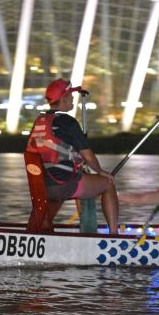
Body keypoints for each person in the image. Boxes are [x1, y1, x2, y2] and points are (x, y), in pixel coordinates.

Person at [25, 78, 119, 234]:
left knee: (62, 182)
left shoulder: (39, 121)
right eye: (71, 96)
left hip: (41, 187)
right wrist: (101, 172)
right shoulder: (68, 122)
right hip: (63, 185)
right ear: (64, 98)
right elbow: (88, 157)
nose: (73, 99)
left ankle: (43, 229)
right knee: (108, 183)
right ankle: (115, 236)